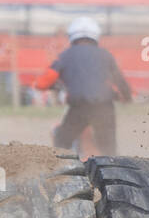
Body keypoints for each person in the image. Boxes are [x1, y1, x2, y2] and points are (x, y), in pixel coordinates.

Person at [33, 17, 132, 155]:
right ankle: (113, 173)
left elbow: (43, 83)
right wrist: (127, 97)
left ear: (72, 37)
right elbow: (120, 82)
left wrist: (50, 86)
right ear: (96, 36)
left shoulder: (65, 56)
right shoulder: (106, 55)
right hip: (104, 106)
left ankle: (63, 171)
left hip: (79, 107)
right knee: (109, 149)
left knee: (61, 142)